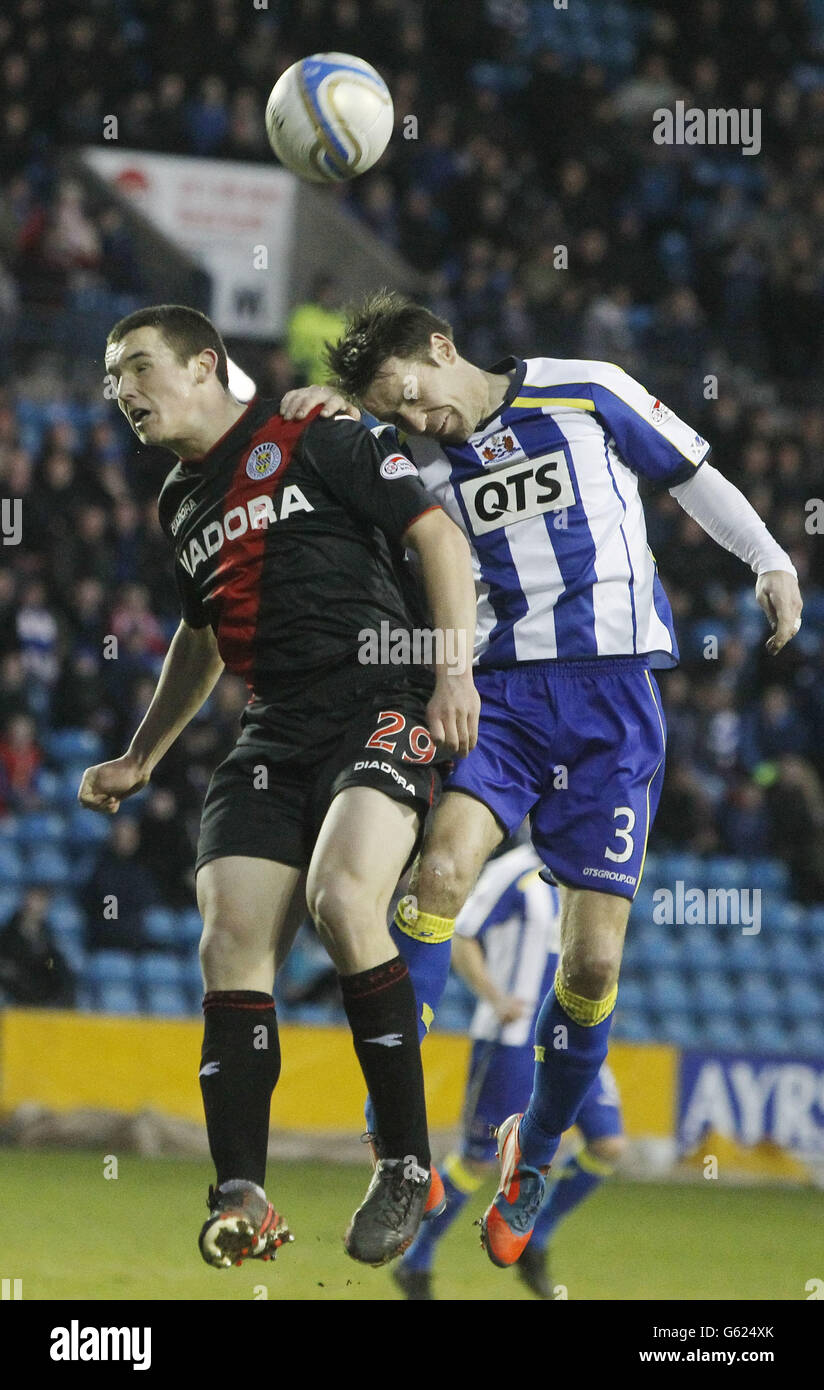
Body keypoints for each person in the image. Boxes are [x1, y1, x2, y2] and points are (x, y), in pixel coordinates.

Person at [280, 289, 802, 1267]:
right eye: (394, 411)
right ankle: (401, 1145)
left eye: (413, 393)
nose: (415, 416)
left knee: (592, 966)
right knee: (438, 871)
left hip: (613, 708)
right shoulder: (420, 453)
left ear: (443, 344)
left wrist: (767, 556)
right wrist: (320, 406)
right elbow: (346, 458)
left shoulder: (586, 389)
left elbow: (692, 474)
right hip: (503, 694)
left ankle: (531, 1166)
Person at [78, 303, 479, 1271]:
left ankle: (403, 1166)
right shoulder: (181, 502)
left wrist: (451, 671)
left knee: (342, 895)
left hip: (377, 696)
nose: (119, 390)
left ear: (204, 364)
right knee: (226, 936)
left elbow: (436, 538)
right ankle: (242, 1194)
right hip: (274, 730)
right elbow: (202, 636)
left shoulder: (310, 432)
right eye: (109, 379)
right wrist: (142, 755)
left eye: (136, 366)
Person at [393, 840, 625, 1301]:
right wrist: (495, 997)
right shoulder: (513, 871)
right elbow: (461, 933)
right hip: (514, 1039)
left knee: (608, 1145)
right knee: (479, 1158)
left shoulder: (591, 871)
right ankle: (416, 1259)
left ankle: (534, 1239)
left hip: (572, 1041)